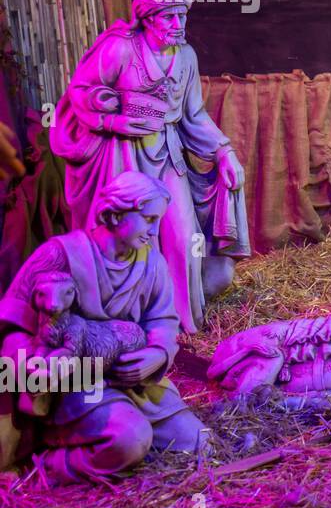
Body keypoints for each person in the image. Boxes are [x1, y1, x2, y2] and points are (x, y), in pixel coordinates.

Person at [51, 0, 249, 333]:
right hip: (121, 157)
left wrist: (223, 152)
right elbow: (80, 92)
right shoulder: (120, 49)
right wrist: (114, 120)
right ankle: (128, 324)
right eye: (170, 17)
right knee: (128, 237)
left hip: (168, 153)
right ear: (149, 17)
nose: (179, 25)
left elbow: (193, 114)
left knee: (183, 237)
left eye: (182, 16)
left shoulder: (186, 56)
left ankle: (176, 320)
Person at [0, 171, 206, 485]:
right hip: (77, 384)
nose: (153, 231)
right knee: (130, 441)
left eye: (157, 221)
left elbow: (162, 321)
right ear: (115, 213)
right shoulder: (60, 255)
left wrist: (157, 355)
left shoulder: (152, 263)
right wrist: (34, 369)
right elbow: (14, 324)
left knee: (198, 442)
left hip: (134, 382)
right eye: (148, 219)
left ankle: (119, 446)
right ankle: (49, 467)